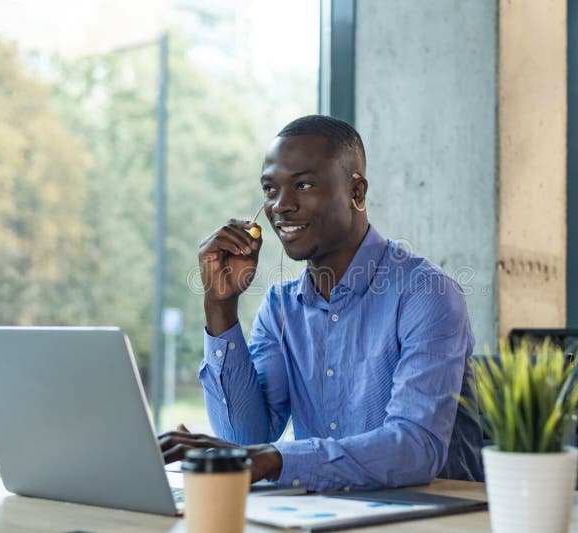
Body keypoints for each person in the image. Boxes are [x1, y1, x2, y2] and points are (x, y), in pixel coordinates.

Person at [159, 115, 484, 491]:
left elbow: (415, 448)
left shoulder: (426, 293)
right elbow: (246, 440)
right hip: (324, 513)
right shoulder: (281, 307)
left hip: (436, 519)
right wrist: (220, 307)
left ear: (356, 192)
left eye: (304, 184)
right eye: (269, 189)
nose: (281, 205)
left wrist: (276, 458)